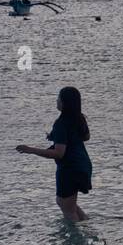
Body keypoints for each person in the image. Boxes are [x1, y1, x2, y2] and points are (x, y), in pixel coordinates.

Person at [16, 86, 93, 222]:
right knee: (64, 203)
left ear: (64, 102)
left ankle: (75, 240)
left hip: (70, 168)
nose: (56, 100)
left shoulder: (61, 123)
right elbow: (86, 137)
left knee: (67, 208)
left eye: (59, 98)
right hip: (82, 164)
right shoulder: (79, 118)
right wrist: (56, 137)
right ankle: (86, 223)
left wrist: (31, 150)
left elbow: (59, 153)